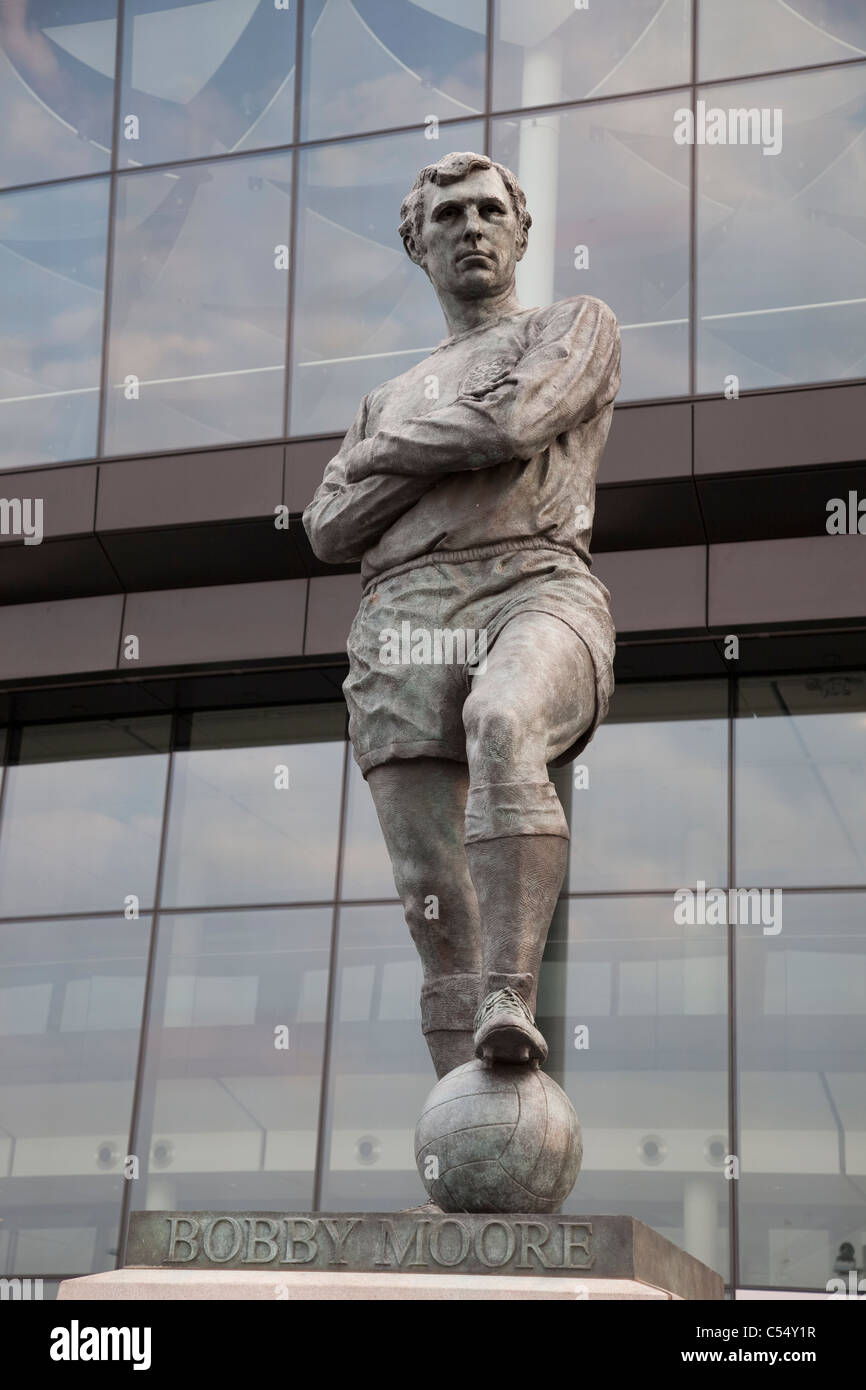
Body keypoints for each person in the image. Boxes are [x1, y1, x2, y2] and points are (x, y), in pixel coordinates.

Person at [304, 151, 620, 1079]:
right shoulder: (386, 392)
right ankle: (464, 1117)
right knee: (428, 889)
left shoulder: (574, 324)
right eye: (447, 217)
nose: (471, 227)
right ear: (419, 243)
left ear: (521, 232)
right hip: (399, 616)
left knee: (503, 719)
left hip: (533, 580)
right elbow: (328, 527)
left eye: (490, 211)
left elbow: (517, 422)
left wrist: (382, 461)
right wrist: (438, 448)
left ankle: (510, 994)